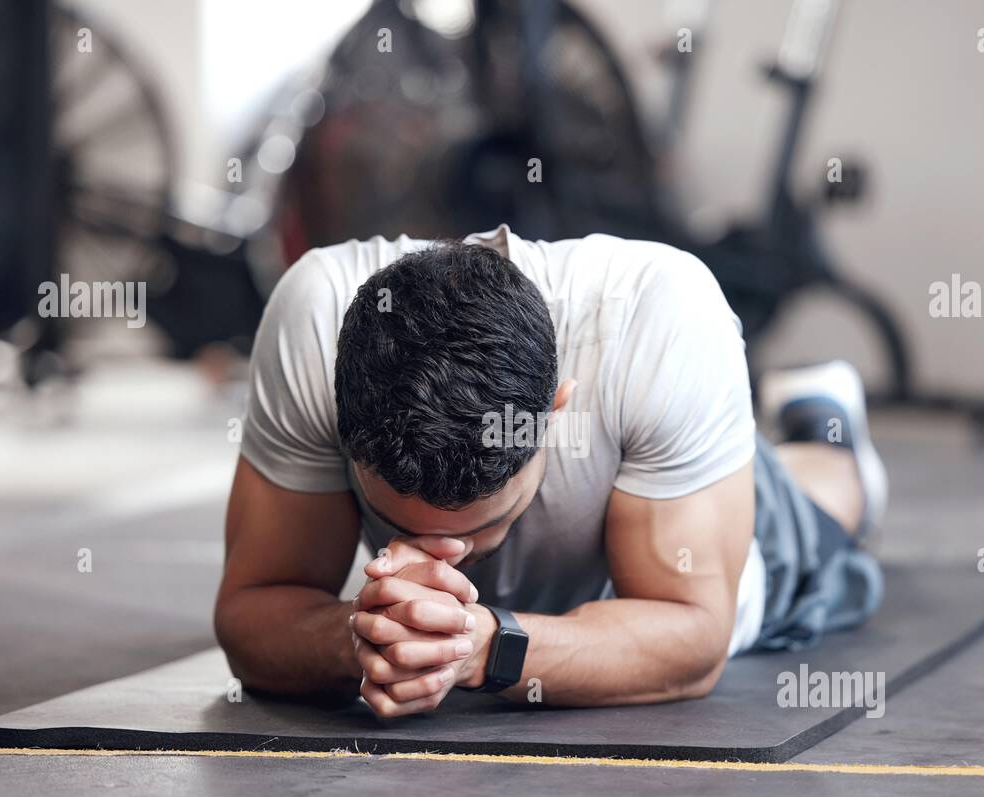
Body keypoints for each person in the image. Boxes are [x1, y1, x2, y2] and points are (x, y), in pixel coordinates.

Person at [214, 225, 885, 716]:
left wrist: (482, 649)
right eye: (403, 524)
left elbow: (695, 634)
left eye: (488, 523)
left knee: (827, 503)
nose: (451, 558)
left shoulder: (660, 315)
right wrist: (360, 638)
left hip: (672, 514)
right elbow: (252, 609)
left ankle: (822, 414)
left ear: (556, 408)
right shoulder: (312, 318)